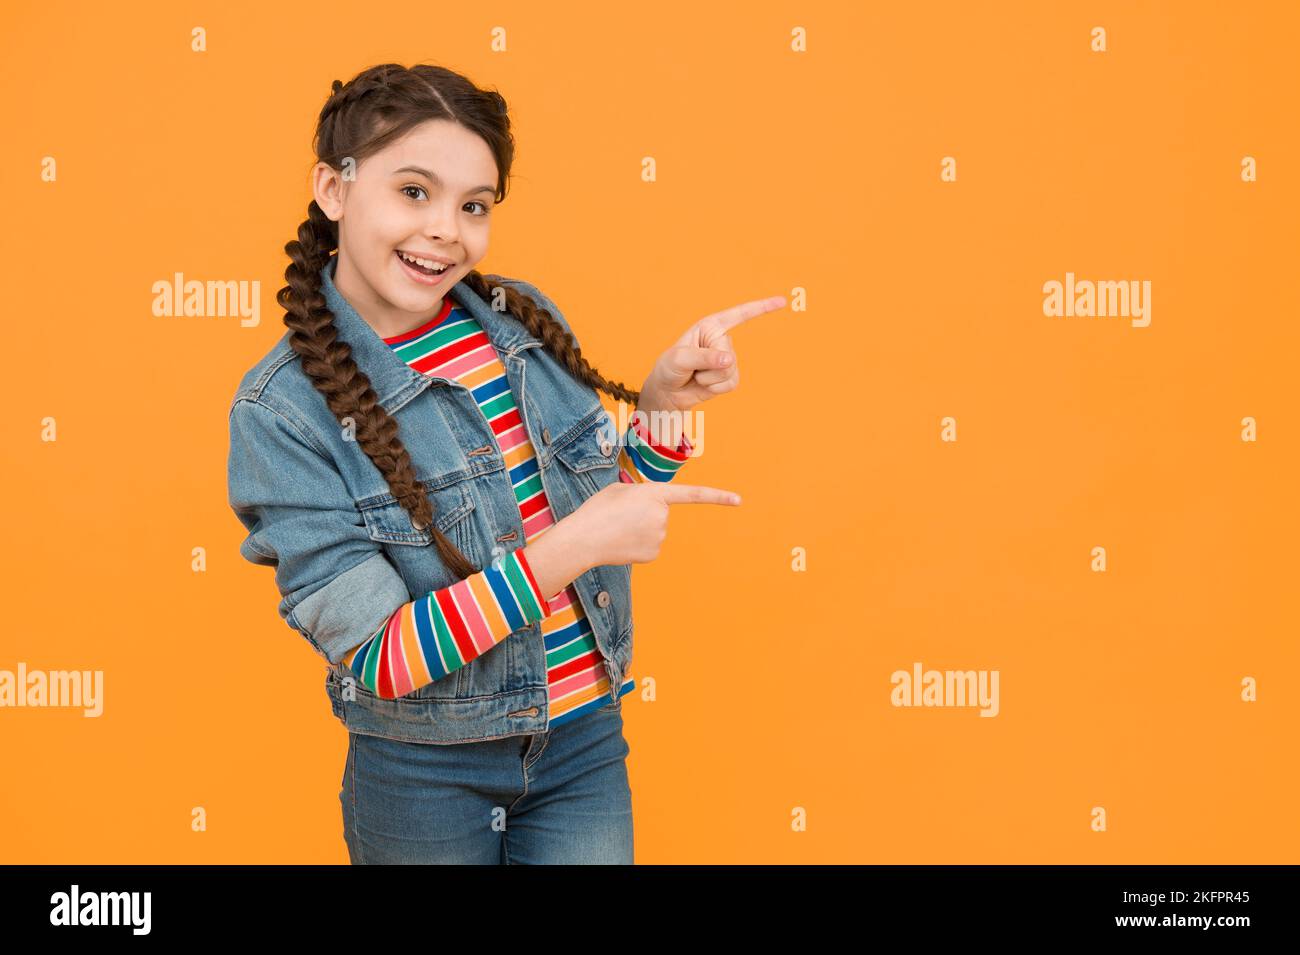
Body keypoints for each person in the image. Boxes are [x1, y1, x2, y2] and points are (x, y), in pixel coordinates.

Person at [226, 62, 785, 864]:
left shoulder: (521, 323)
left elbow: (601, 509)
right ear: (334, 188)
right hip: (424, 773)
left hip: (582, 741)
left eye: (474, 205)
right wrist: (575, 547)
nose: (447, 228)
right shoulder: (281, 412)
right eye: (413, 191)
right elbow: (383, 656)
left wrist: (665, 401)